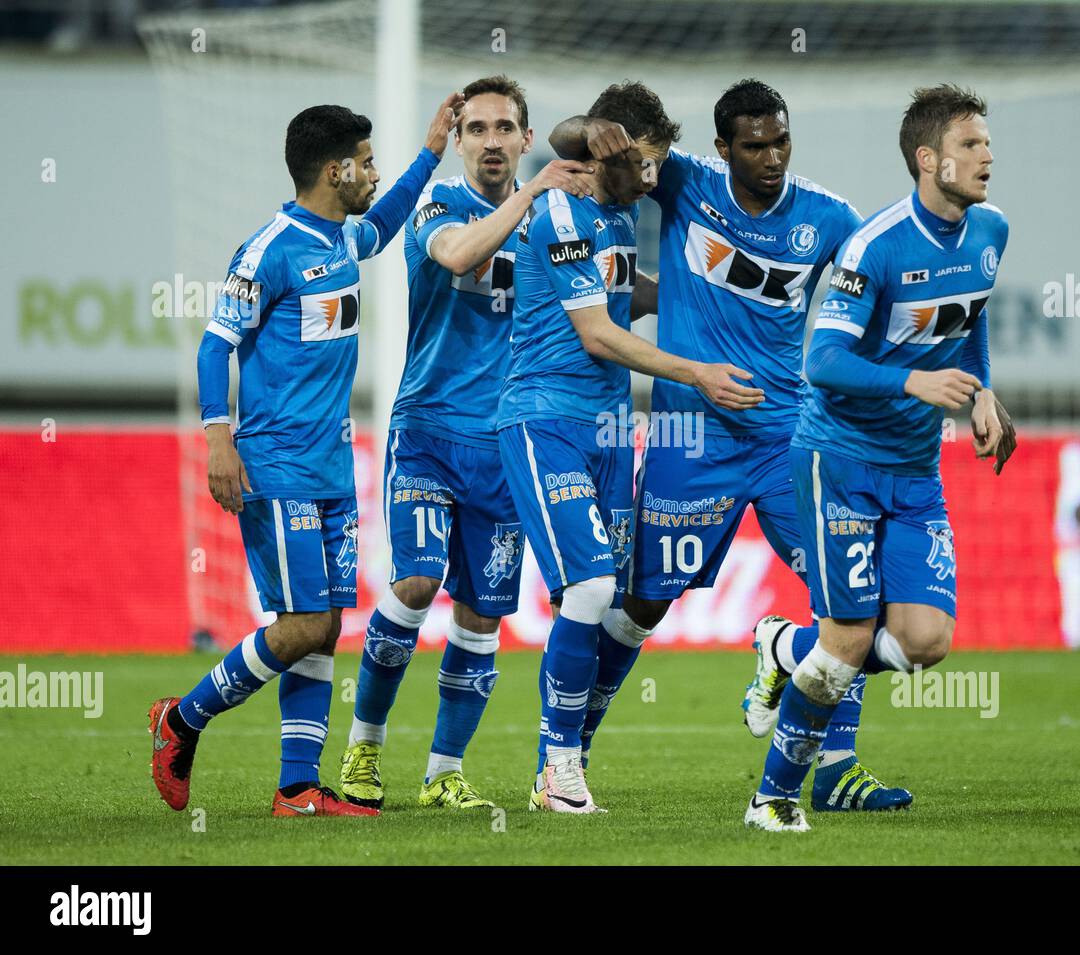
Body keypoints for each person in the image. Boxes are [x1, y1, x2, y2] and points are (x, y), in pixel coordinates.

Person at [149, 94, 463, 818]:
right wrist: (218, 438)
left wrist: (428, 155)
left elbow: (382, 229)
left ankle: (296, 788)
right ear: (335, 168)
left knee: (321, 623)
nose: (374, 173)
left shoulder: (339, 240)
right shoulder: (272, 249)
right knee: (307, 626)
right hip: (275, 460)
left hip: (329, 463)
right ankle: (182, 720)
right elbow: (213, 344)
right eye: (368, 162)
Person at [744, 84, 1015, 831]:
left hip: (914, 465)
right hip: (840, 458)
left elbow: (971, 317)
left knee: (926, 642)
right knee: (849, 642)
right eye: (971, 144)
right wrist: (913, 379)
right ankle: (772, 800)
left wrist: (983, 392)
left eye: (987, 142)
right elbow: (823, 361)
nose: (988, 155)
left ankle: (780, 645)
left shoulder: (991, 231)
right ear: (929, 160)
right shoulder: (875, 246)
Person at [500, 81, 762, 813]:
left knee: (624, 607)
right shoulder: (559, 206)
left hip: (612, 431)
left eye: (658, 166)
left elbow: (634, 295)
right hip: (544, 419)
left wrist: (713, 303)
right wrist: (698, 371)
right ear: (609, 147)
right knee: (586, 588)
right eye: (642, 162)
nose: (652, 179)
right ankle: (558, 771)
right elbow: (598, 333)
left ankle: (567, 755)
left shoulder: (617, 212)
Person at [336, 76, 593, 811]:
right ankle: (364, 746)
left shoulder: (557, 221)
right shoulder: (442, 203)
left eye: (502, 128)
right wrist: (531, 196)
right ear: (460, 140)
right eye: (474, 128)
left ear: (523, 136)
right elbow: (455, 257)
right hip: (428, 431)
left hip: (510, 442)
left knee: (482, 614)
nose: (488, 140)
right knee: (415, 584)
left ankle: (443, 771)